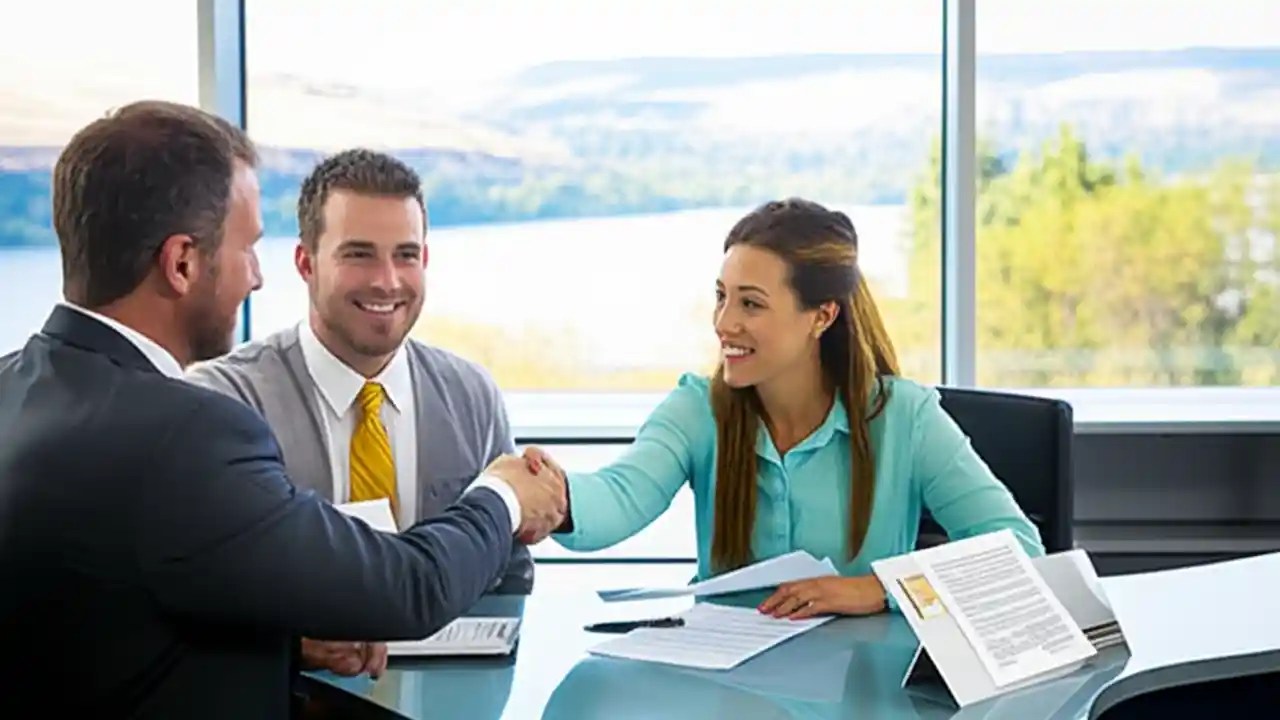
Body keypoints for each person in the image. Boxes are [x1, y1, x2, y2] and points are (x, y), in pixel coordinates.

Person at [0, 100, 565, 719]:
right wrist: (504, 495)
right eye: (247, 249)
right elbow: (410, 587)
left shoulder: (15, 386)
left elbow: (132, 621)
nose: (255, 279)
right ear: (183, 262)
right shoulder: (190, 434)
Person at [529, 197, 1043, 619]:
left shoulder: (903, 416)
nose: (724, 323)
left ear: (821, 316)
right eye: (721, 296)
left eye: (751, 304)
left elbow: (1019, 549)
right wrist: (556, 497)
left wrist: (878, 588)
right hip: (724, 688)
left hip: (865, 690)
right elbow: (621, 495)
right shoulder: (698, 408)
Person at [185, 148, 532, 673]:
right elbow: (197, 589)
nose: (388, 281)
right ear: (306, 263)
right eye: (359, 254)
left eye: (406, 255)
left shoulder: (472, 396)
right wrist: (288, 642)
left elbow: (511, 572)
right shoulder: (226, 400)